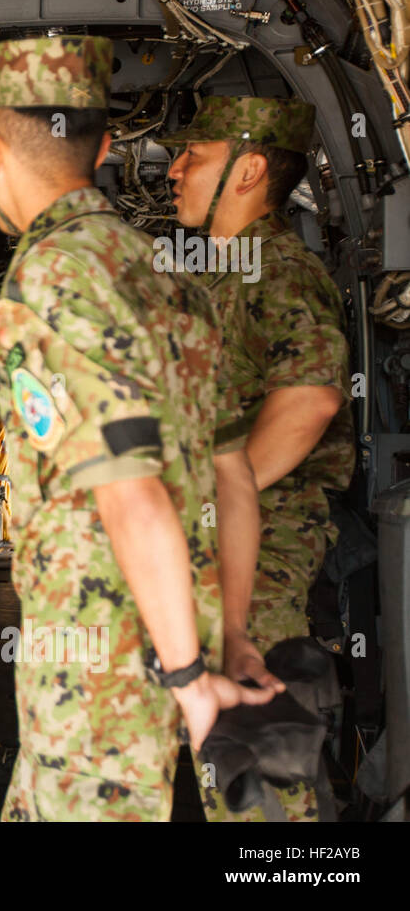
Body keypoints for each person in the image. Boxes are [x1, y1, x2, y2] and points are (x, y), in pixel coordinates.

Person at [0, 35, 273, 820]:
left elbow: (131, 494)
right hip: (186, 631)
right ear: (104, 146)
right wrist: (227, 642)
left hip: (97, 666)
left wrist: (185, 679)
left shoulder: (49, 276)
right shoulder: (174, 277)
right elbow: (232, 479)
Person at [162, 96, 355, 821]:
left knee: (256, 758)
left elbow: (310, 401)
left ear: (247, 170)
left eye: (195, 157)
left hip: (266, 538)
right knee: (237, 748)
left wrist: (218, 500)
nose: (174, 170)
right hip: (227, 536)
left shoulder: (279, 268)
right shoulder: (217, 273)